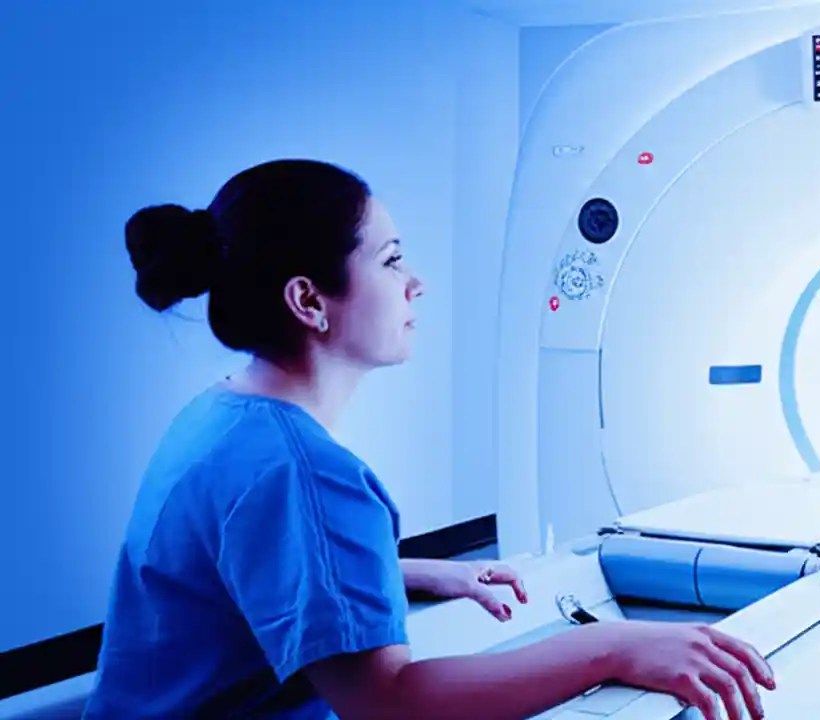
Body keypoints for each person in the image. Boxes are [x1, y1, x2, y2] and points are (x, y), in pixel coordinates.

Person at [83, 159, 775, 720]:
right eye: (391, 261)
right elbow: (388, 703)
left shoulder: (221, 417)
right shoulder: (304, 472)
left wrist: (409, 571)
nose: (416, 284)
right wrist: (613, 645)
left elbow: (250, 563)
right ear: (309, 301)